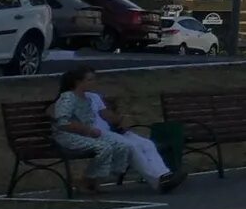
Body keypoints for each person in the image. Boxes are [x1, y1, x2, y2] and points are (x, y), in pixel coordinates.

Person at [51, 66, 176, 194]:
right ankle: (157, 180)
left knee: (140, 144)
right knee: (121, 146)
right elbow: (63, 122)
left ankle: (164, 175)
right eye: (90, 80)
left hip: (96, 133)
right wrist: (88, 130)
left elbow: (106, 115)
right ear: (78, 82)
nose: (94, 82)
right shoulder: (68, 98)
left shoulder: (89, 97)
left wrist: (121, 120)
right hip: (75, 135)